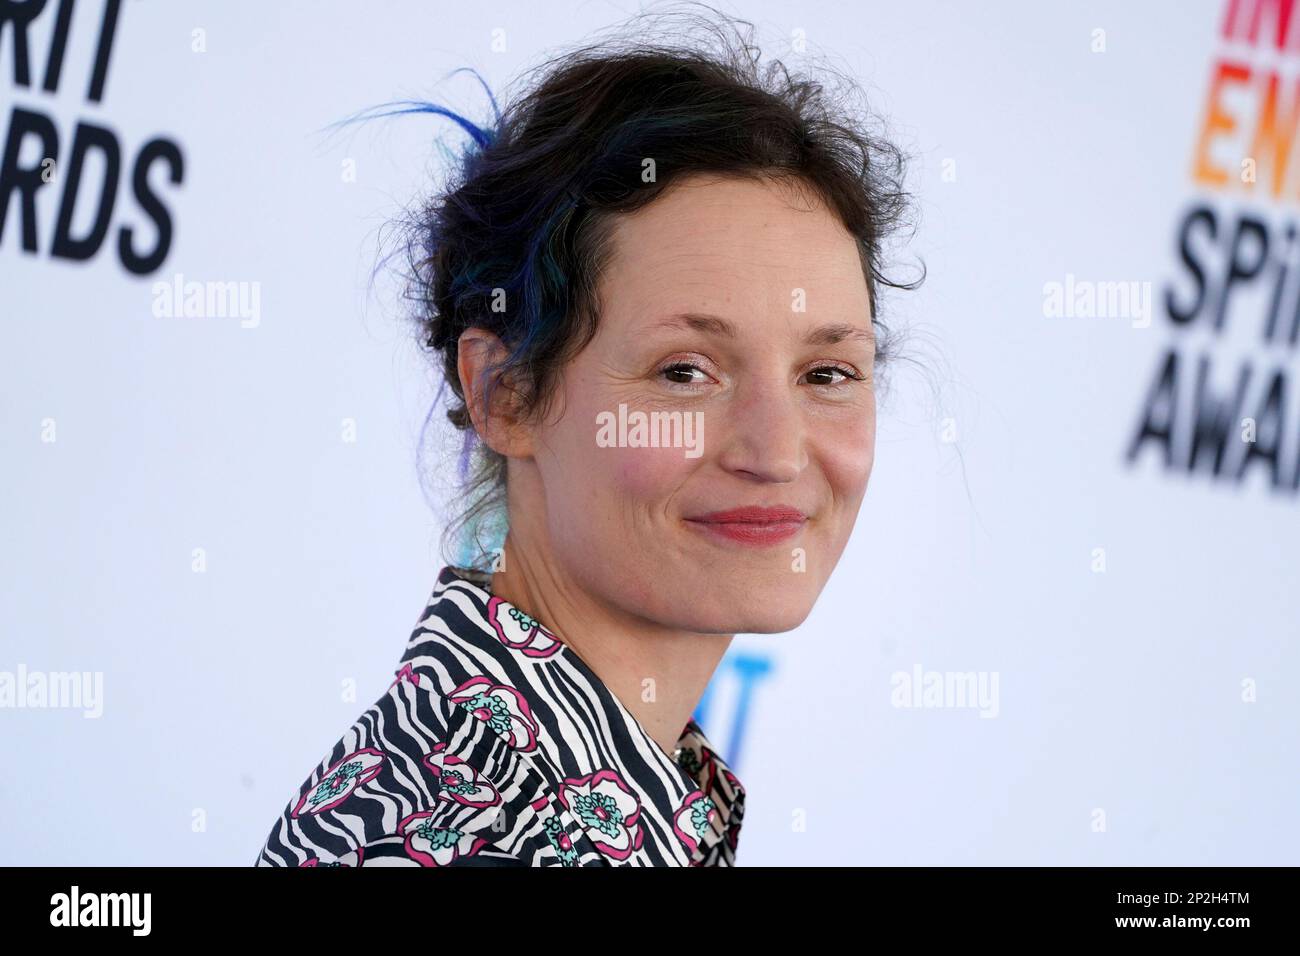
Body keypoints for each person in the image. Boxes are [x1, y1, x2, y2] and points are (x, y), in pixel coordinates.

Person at [256, 5, 915, 867]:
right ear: (506, 394)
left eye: (826, 375)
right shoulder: (483, 833)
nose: (778, 453)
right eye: (685, 372)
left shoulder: (598, 793)